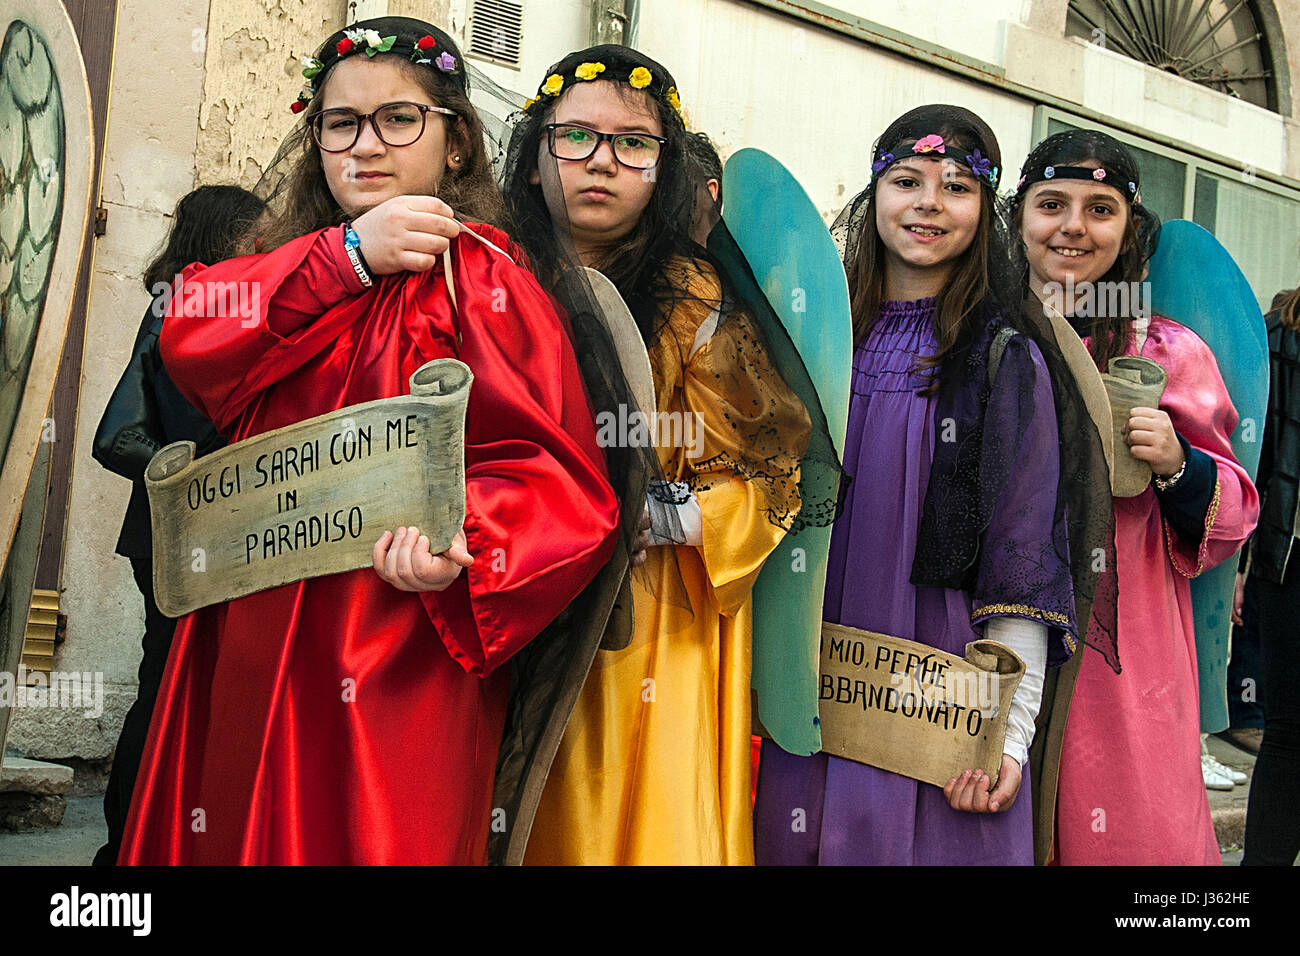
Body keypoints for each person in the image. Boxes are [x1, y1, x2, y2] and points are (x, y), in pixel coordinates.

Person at [117, 17, 618, 865]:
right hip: (243, 629)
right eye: (340, 122)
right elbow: (191, 327)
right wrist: (348, 255)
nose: (365, 145)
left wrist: (460, 541)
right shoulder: (296, 265)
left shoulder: (484, 281)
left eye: (398, 119)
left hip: (388, 641)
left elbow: (557, 479)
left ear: (454, 143)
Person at [753, 104, 1108, 866]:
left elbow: (1024, 554)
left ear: (985, 213)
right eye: (906, 180)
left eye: (956, 188)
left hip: (941, 673)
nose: (927, 204)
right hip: (812, 659)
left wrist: (1005, 734)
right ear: (873, 195)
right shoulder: (812, 336)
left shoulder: (1004, 360)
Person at [502, 45, 818, 865]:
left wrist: (667, 513)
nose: (602, 161)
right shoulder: (484, 270)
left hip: (636, 618)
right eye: (576, 137)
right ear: (535, 157)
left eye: (632, 143)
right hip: (490, 588)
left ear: (663, 170)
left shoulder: (695, 299)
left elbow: (769, 471)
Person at [1012, 129, 1259, 865]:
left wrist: (1179, 463)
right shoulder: (978, 330)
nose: (1073, 227)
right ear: (1018, 216)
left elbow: (1238, 510)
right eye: (1051, 203)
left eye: (1101, 208)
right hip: (983, 613)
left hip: (1123, 635)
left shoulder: (1164, 351)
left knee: (1125, 827)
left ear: (1129, 228)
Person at [90, 184, 264, 866]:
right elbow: (117, 437)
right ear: (224, 240)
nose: (268, 246)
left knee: (190, 693)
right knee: (165, 691)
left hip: (212, 536)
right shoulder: (187, 305)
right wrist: (209, 474)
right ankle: (125, 854)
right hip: (182, 536)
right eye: (256, 236)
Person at [1237, 285, 1300, 865]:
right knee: (1287, 734)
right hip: (1289, 560)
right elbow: (1249, 455)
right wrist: (1240, 564)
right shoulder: (1277, 334)